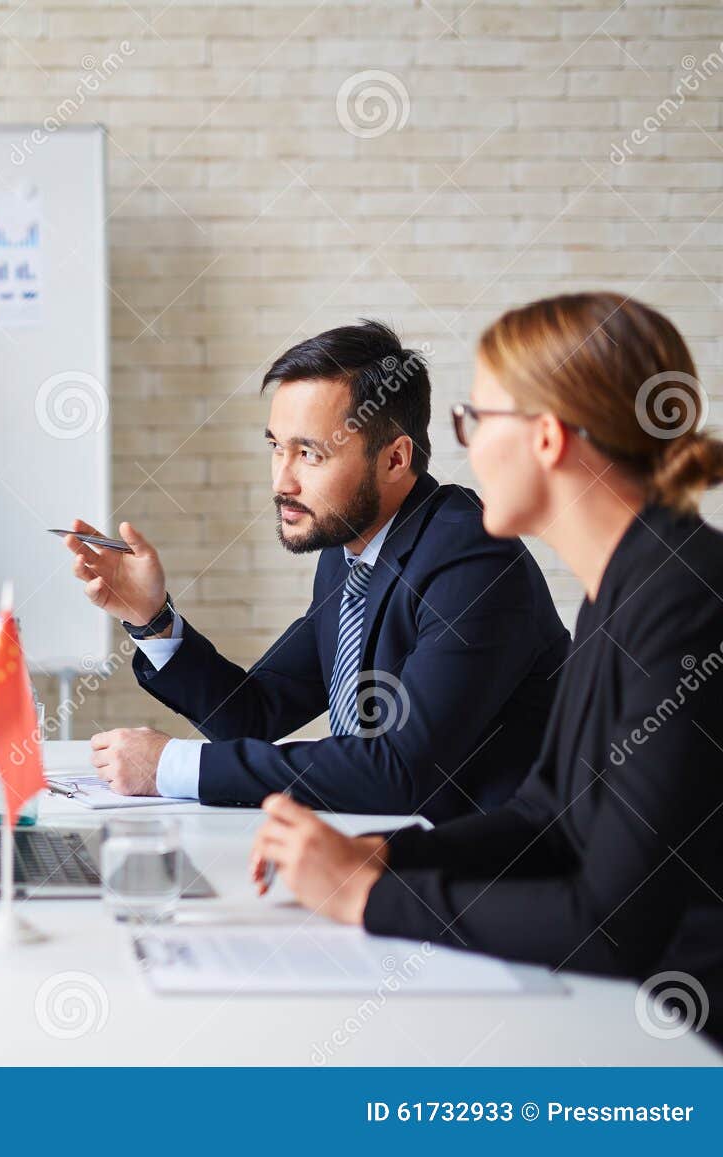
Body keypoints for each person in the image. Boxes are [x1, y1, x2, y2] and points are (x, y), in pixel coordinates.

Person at [253, 293, 723, 1045]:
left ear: (547, 438)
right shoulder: (625, 590)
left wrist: (370, 897)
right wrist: (383, 851)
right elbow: (548, 817)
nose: (465, 447)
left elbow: (611, 921)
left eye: (478, 420)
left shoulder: (685, 601)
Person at [70, 320, 568, 820]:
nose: (282, 481)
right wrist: (152, 618)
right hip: (384, 851)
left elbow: (400, 770)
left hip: (494, 876)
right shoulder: (348, 548)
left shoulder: (471, 558)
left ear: (395, 459)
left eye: (309, 454)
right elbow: (256, 712)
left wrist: (172, 766)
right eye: (275, 448)